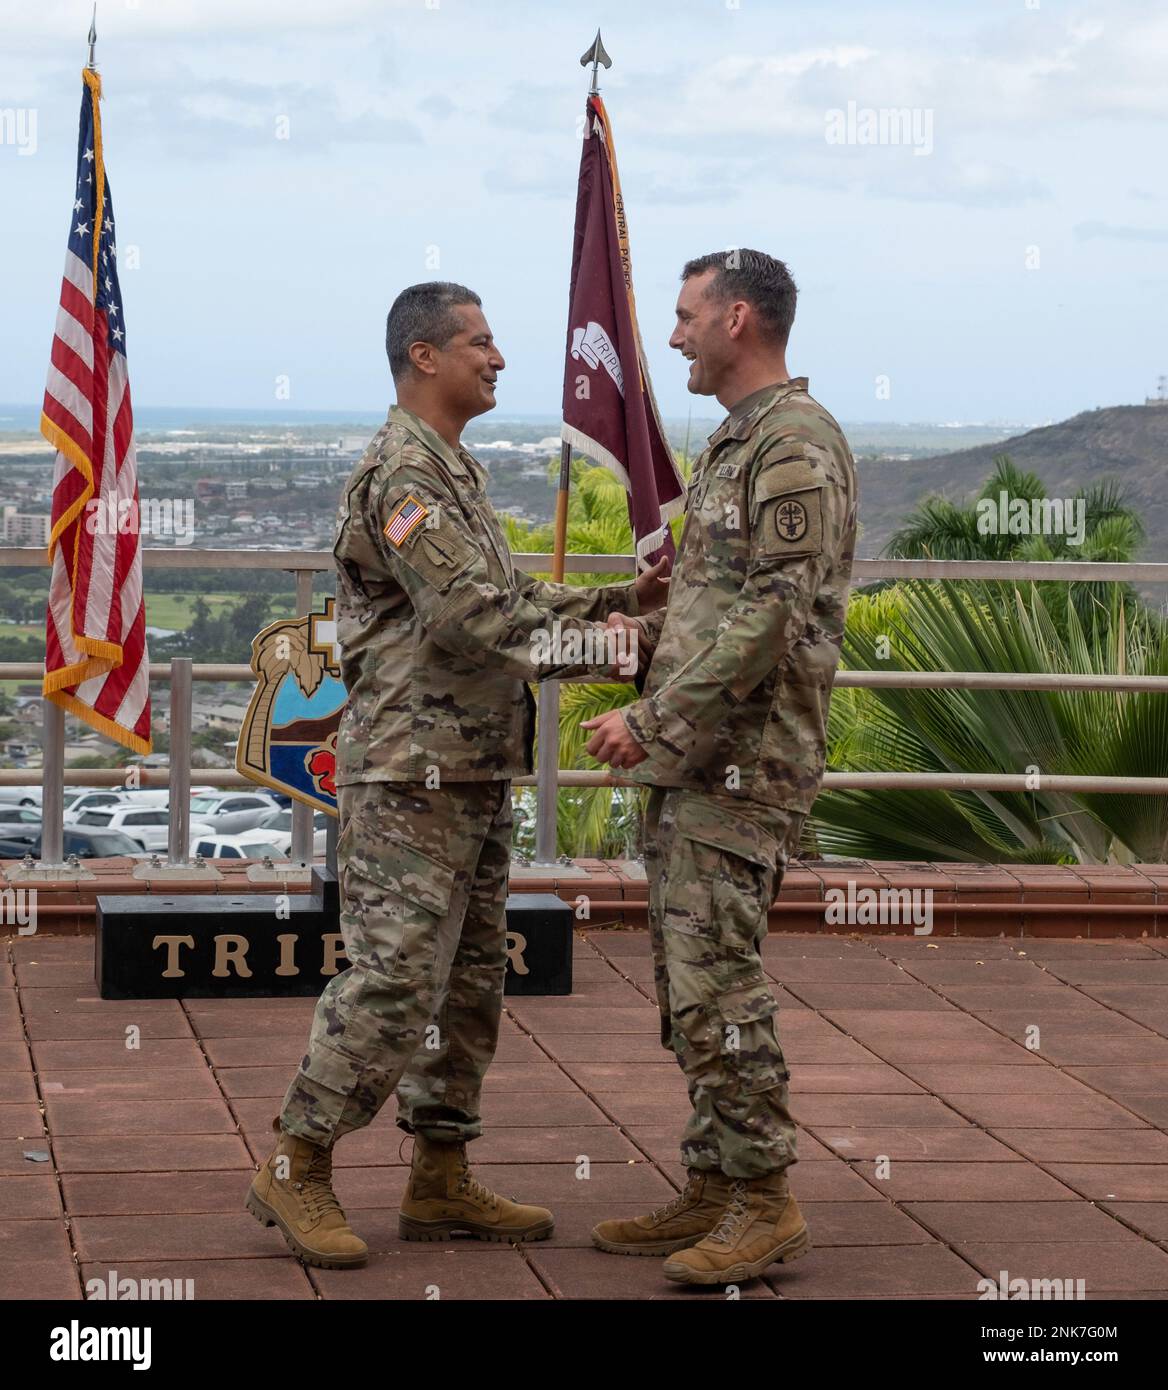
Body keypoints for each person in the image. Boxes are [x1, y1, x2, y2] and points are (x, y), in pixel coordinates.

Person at [246, 281, 669, 1268]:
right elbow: (477, 622)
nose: (499, 358)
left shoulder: (450, 469)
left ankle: (438, 1177)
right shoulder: (405, 477)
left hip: (471, 769)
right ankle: (296, 1162)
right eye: (480, 342)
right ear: (423, 356)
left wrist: (622, 595)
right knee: (393, 979)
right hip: (410, 775)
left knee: (470, 983)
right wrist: (619, 649)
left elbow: (508, 592)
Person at [582, 249, 857, 1286]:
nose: (674, 335)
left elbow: (771, 617)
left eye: (689, 315)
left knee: (718, 985)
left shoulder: (792, 446)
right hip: (701, 762)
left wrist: (655, 720)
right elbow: (708, 606)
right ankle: (715, 1182)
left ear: (738, 319)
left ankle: (764, 1200)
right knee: (685, 982)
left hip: (741, 763)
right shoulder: (743, 442)